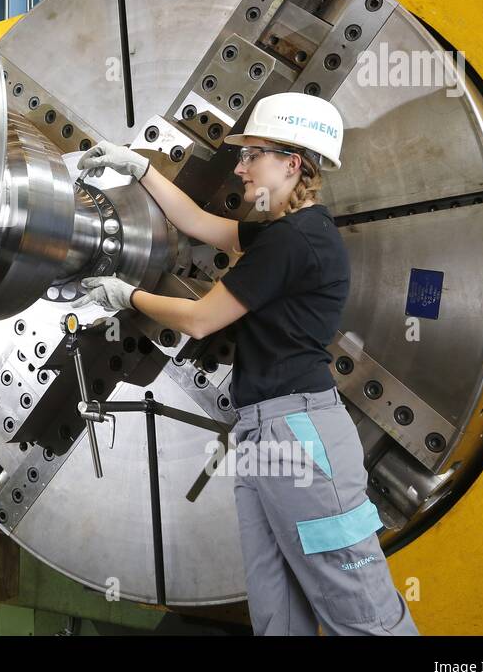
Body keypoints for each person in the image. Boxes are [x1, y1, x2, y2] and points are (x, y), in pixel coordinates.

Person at [73, 93, 418, 636]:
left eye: (251, 154)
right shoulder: (284, 234)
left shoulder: (294, 242)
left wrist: (125, 296)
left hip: (299, 436)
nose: (239, 167)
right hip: (263, 431)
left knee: (362, 611)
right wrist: (139, 168)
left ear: (291, 163)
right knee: (276, 613)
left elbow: (200, 320)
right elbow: (198, 223)